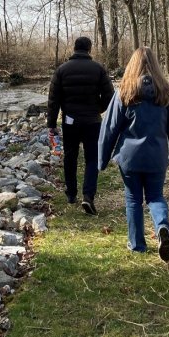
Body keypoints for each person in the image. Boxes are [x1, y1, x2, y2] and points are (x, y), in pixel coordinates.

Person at [98, 47, 169, 261]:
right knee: (155, 196)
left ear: (131, 65)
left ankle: (137, 244)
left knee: (133, 199)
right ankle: (162, 226)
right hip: (157, 156)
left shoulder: (124, 92)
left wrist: (102, 158)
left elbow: (109, 128)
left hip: (129, 158)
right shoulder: (166, 92)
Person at [47, 36, 114, 215]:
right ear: (89, 49)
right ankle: (88, 195)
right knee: (92, 158)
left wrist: (51, 124)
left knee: (71, 156)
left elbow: (53, 100)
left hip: (70, 121)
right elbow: (110, 97)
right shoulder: (98, 69)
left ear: (74, 49)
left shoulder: (61, 70)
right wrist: (97, 110)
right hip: (92, 121)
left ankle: (71, 193)